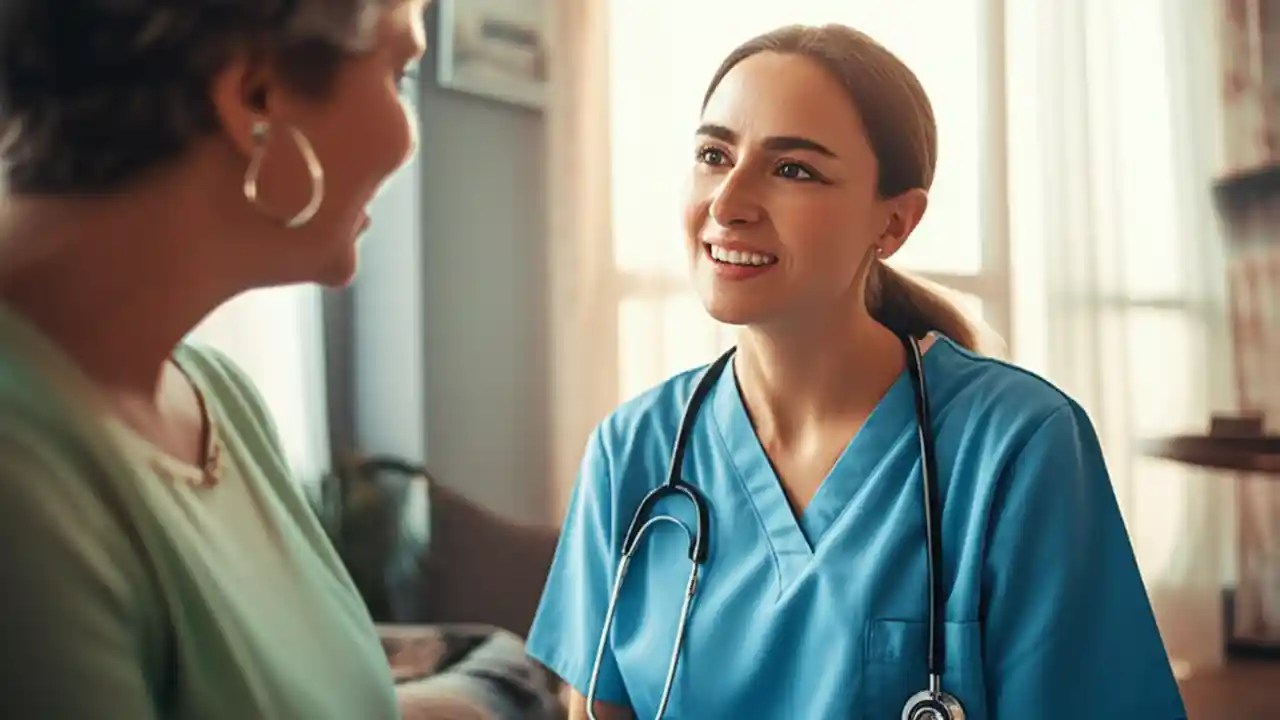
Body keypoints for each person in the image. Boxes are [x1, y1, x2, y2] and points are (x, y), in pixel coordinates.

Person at [526, 23, 1188, 719]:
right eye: (715, 155)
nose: (727, 204)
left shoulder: (1019, 447)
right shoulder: (632, 451)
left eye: (793, 170)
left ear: (895, 224)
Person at [0, 1, 427, 717]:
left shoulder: (220, 397)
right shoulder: (20, 486)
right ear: (256, 95)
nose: (406, 142)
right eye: (399, 74)